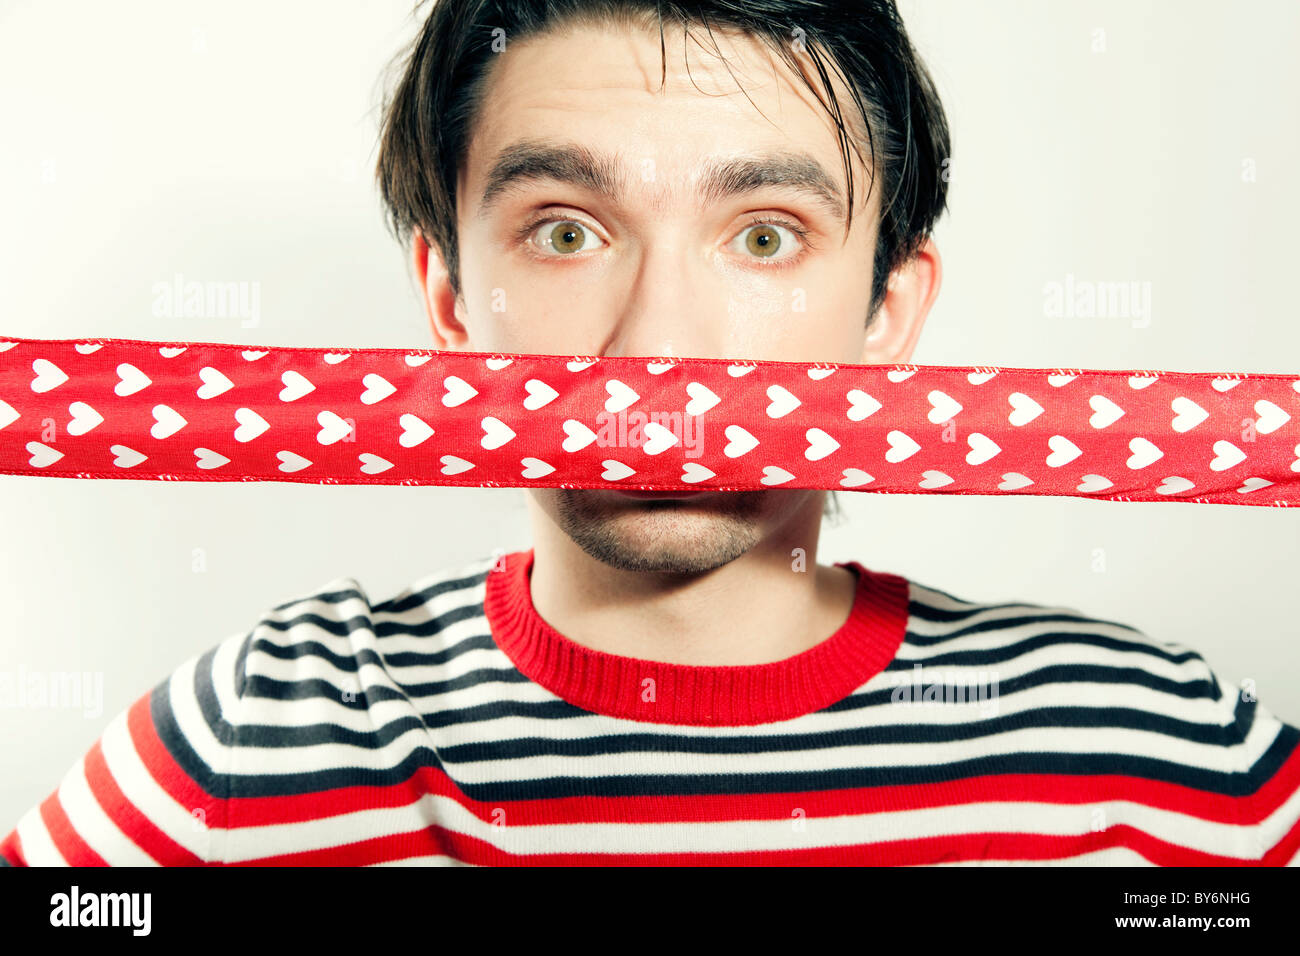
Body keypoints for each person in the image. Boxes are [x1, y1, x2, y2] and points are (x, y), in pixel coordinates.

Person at [4, 0, 1297, 866]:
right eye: (565, 229)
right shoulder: (248, 744)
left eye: (765, 236)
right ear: (452, 300)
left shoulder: (1168, 756)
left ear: (886, 313)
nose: (658, 348)